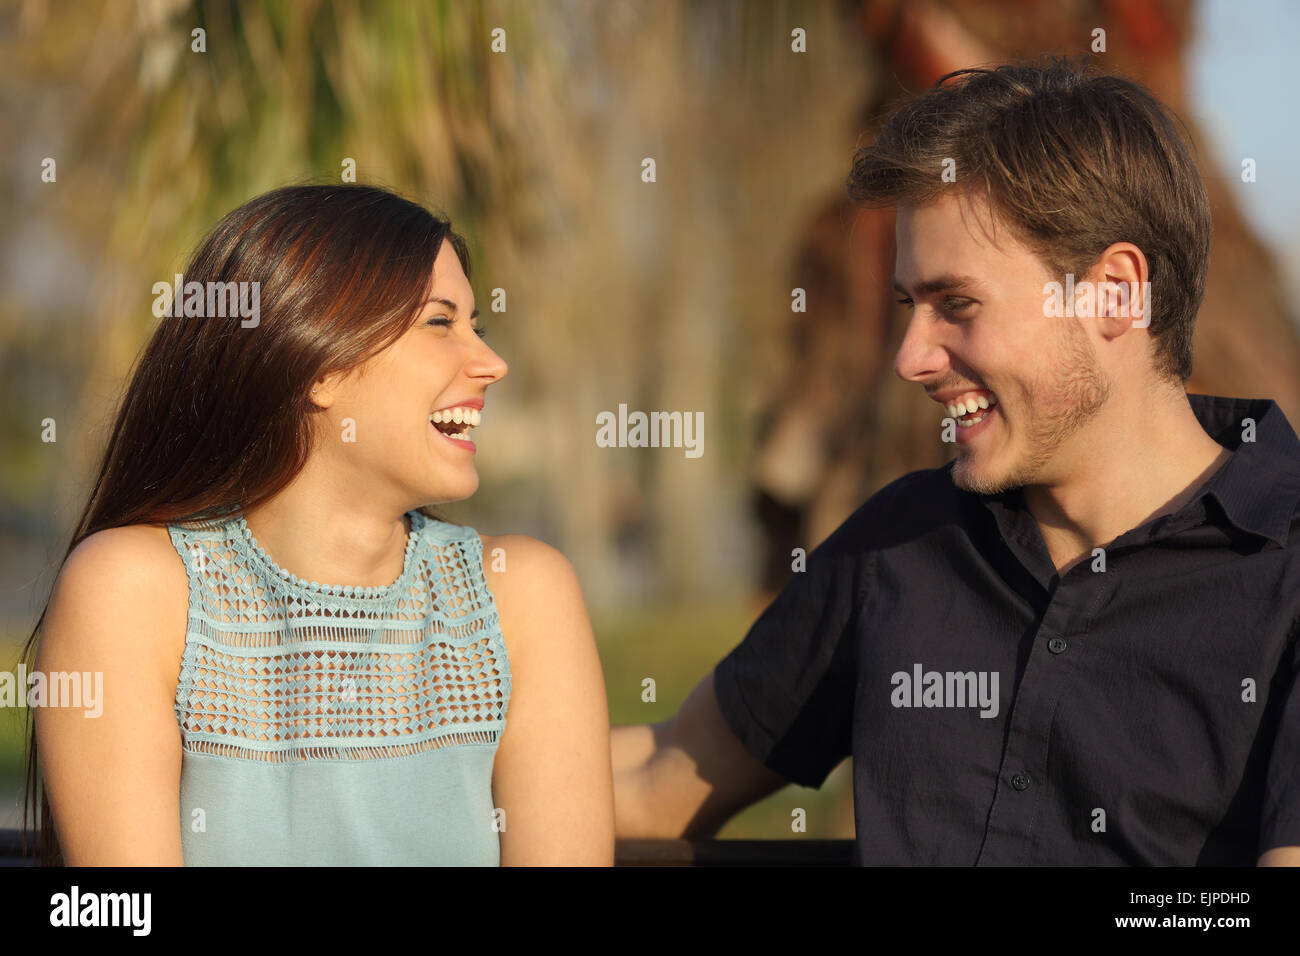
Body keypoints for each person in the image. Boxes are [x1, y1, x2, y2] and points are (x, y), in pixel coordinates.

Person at [611, 59, 1300, 866]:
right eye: (911, 306)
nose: (909, 358)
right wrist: (432, 749)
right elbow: (659, 780)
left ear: (1114, 293)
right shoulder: (898, 543)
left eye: (957, 305)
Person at [23, 184, 614, 865]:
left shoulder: (522, 598)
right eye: (440, 324)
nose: (490, 362)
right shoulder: (133, 593)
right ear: (321, 363)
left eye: (475, 323)